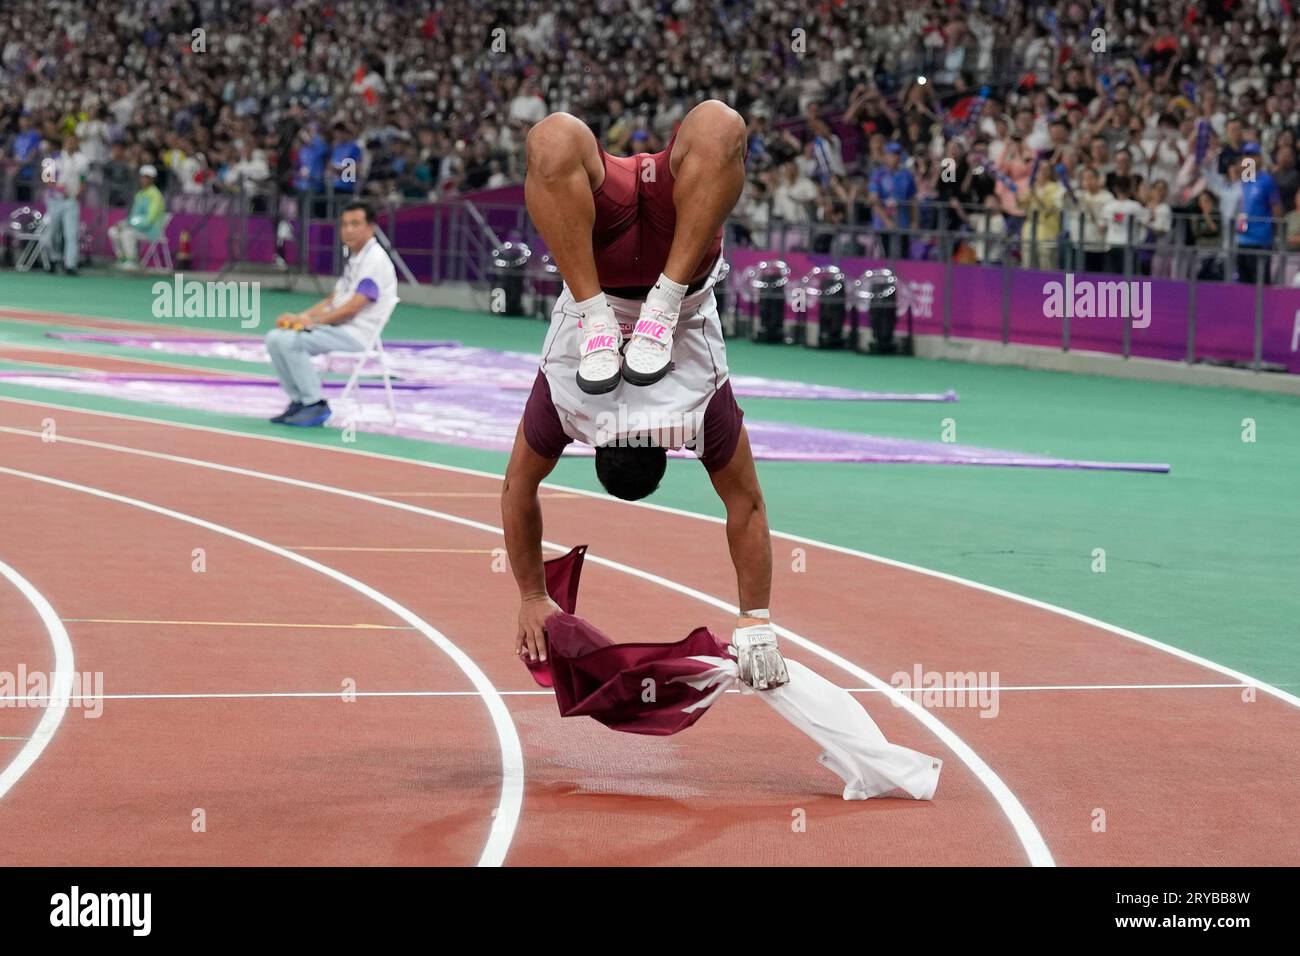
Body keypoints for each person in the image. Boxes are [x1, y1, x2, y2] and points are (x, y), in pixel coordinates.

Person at [503, 100, 789, 693]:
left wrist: (757, 622)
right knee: (710, 125)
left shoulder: (685, 419)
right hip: (663, 258)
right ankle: (649, 305)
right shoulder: (576, 410)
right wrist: (753, 620)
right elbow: (517, 489)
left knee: (565, 137)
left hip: (608, 258)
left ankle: (595, 314)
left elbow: (749, 507)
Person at [525, 101, 745, 396]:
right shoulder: (704, 416)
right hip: (660, 236)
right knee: (721, 123)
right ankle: (606, 317)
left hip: (626, 245)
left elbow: (532, 442)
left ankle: (630, 312)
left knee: (550, 138)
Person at [265, 202, 397, 426]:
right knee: (275, 337)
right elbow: (332, 301)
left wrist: (310, 322)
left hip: (356, 334)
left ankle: (315, 404)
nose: (349, 230)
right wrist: (299, 317)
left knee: (290, 342)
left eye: (356, 224)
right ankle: (298, 401)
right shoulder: (355, 257)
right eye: (345, 224)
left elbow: (351, 309)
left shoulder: (374, 260)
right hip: (338, 329)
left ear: (371, 227)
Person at [42, 134, 89, 275]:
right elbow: (47, 180)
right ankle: (54, 258)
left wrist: (79, 192)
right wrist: (59, 189)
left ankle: (70, 264)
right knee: (52, 232)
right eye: (68, 141)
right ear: (64, 142)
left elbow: (83, 180)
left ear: (77, 143)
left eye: (73, 141)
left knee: (71, 233)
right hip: (55, 200)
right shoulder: (52, 158)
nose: (70, 143)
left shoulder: (82, 160)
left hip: (71, 201)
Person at [108, 165, 166, 270]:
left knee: (127, 233)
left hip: (151, 230)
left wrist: (130, 225)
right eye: (143, 177)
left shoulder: (155, 195)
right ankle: (123, 258)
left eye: (147, 177)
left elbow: (149, 219)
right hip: (138, 228)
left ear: (153, 179)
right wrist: (124, 223)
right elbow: (134, 217)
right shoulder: (139, 194)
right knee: (113, 230)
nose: (144, 179)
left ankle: (132, 261)